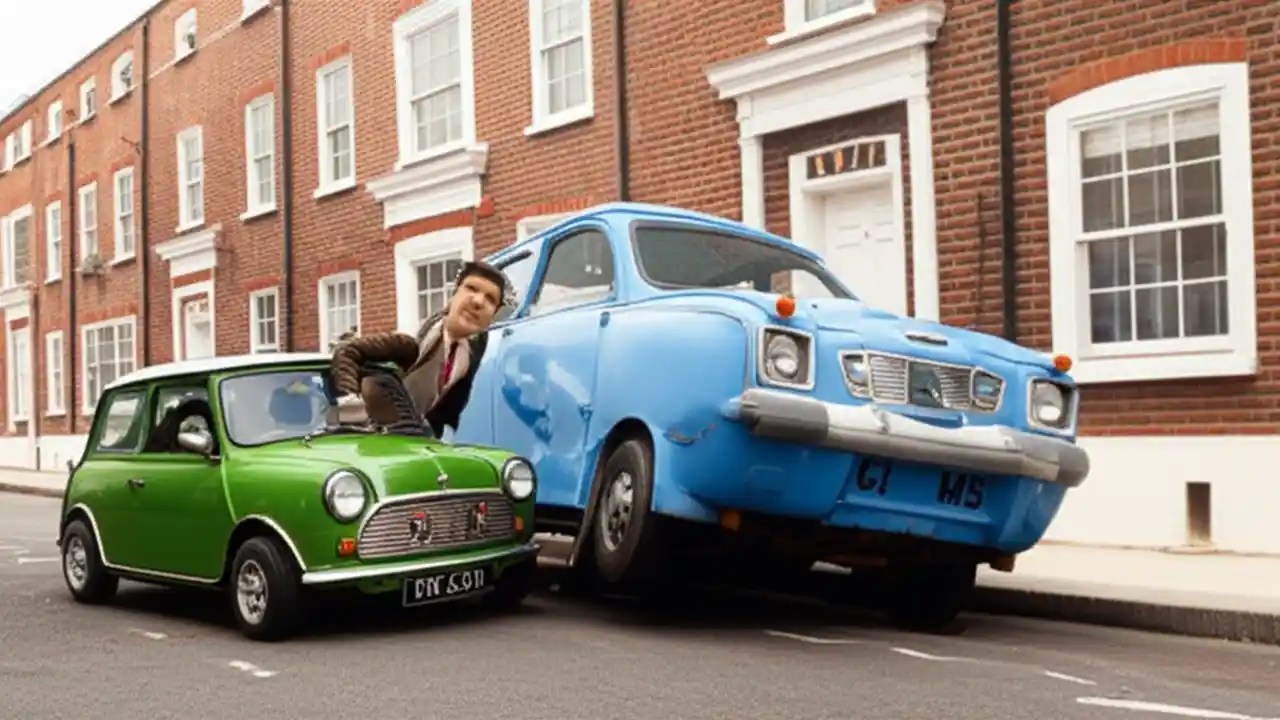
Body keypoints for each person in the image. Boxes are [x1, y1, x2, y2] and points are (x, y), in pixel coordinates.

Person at [330, 260, 509, 437]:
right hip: (375, 442)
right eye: (471, 288)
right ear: (453, 295)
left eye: (490, 299)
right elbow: (347, 352)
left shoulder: (471, 352)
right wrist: (352, 411)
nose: (478, 301)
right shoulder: (411, 344)